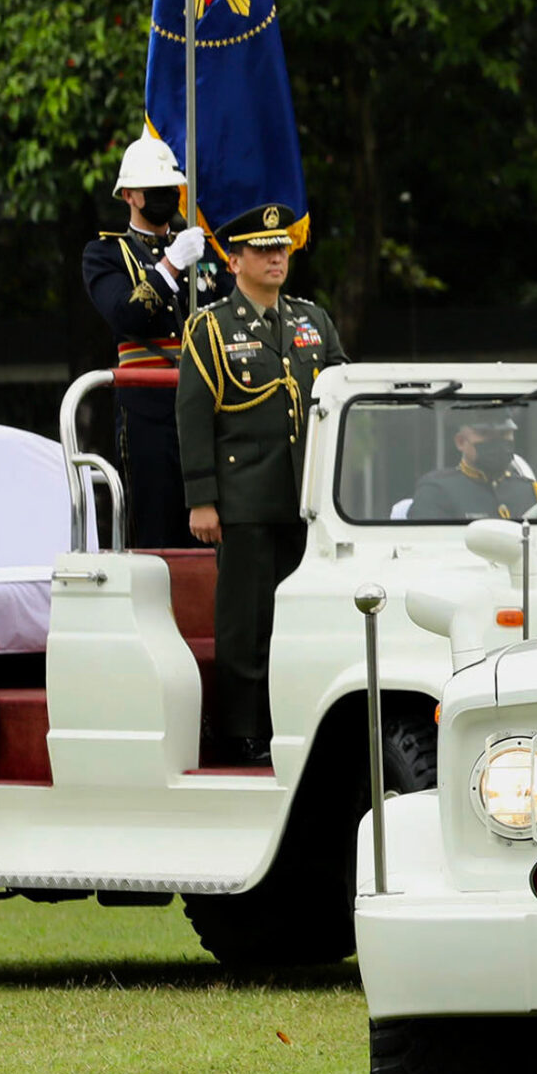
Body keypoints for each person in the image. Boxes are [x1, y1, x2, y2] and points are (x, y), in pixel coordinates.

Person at [176, 203, 348, 766]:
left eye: (282, 248)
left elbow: (345, 397)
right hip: (245, 497)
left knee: (301, 618)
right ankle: (241, 729)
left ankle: (292, 722)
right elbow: (194, 414)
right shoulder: (212, 326)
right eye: (263, 249)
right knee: (247, 622)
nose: (277, 257)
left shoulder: (311, 320)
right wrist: (202, 498)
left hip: (306, 500)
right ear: (234, 260)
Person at [80, 135, 212, 548]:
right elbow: (126, 314)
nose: (165, 197)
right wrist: (171, 263)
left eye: (169, 189)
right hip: (147, 414)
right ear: (130, 196)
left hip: (205, 404)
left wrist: (192, 257)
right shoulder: (106, 255)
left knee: (210, 531)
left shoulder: (202, 252)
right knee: (156, 532)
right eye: (154, 190)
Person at [409, 412, 537, 521]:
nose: (497, 442)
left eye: (504, 434)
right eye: (485, 434)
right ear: (461, 442)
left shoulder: (532, 492)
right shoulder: (436, 491)